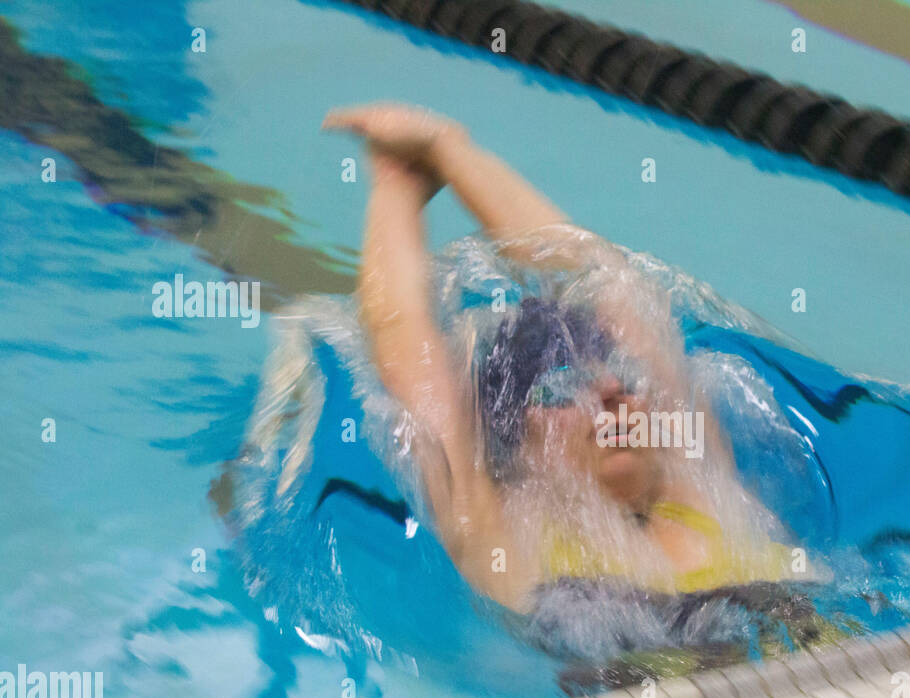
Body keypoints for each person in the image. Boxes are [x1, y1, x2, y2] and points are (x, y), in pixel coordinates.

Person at [322, 103, 809, 629]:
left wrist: (452, 150)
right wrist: (394, 181)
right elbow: (404, 344)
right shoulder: (503, 538)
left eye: (620, 373)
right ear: (518, 445)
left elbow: (607, 278)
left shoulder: (701, 483)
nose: (609, 389)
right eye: (560, 385)